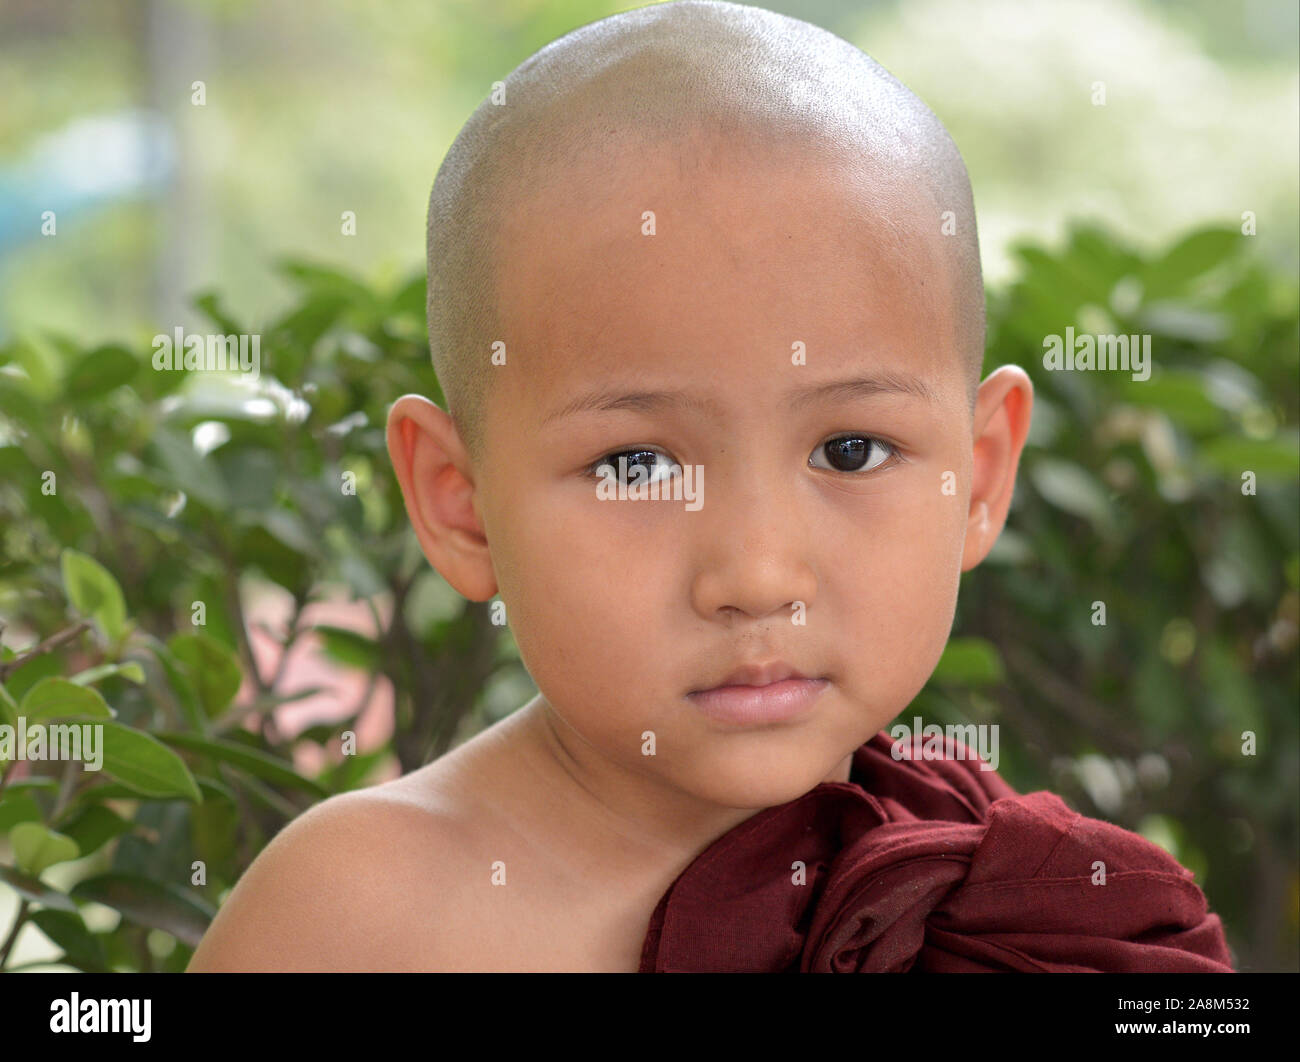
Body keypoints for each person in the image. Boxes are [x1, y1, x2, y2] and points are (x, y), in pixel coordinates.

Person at [188, 0, 1233, 972]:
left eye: (852, 451)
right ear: (459, 503)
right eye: (636, 465)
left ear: (978, 476)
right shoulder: (362, 919)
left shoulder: (1018, 911)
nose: (756, 573)